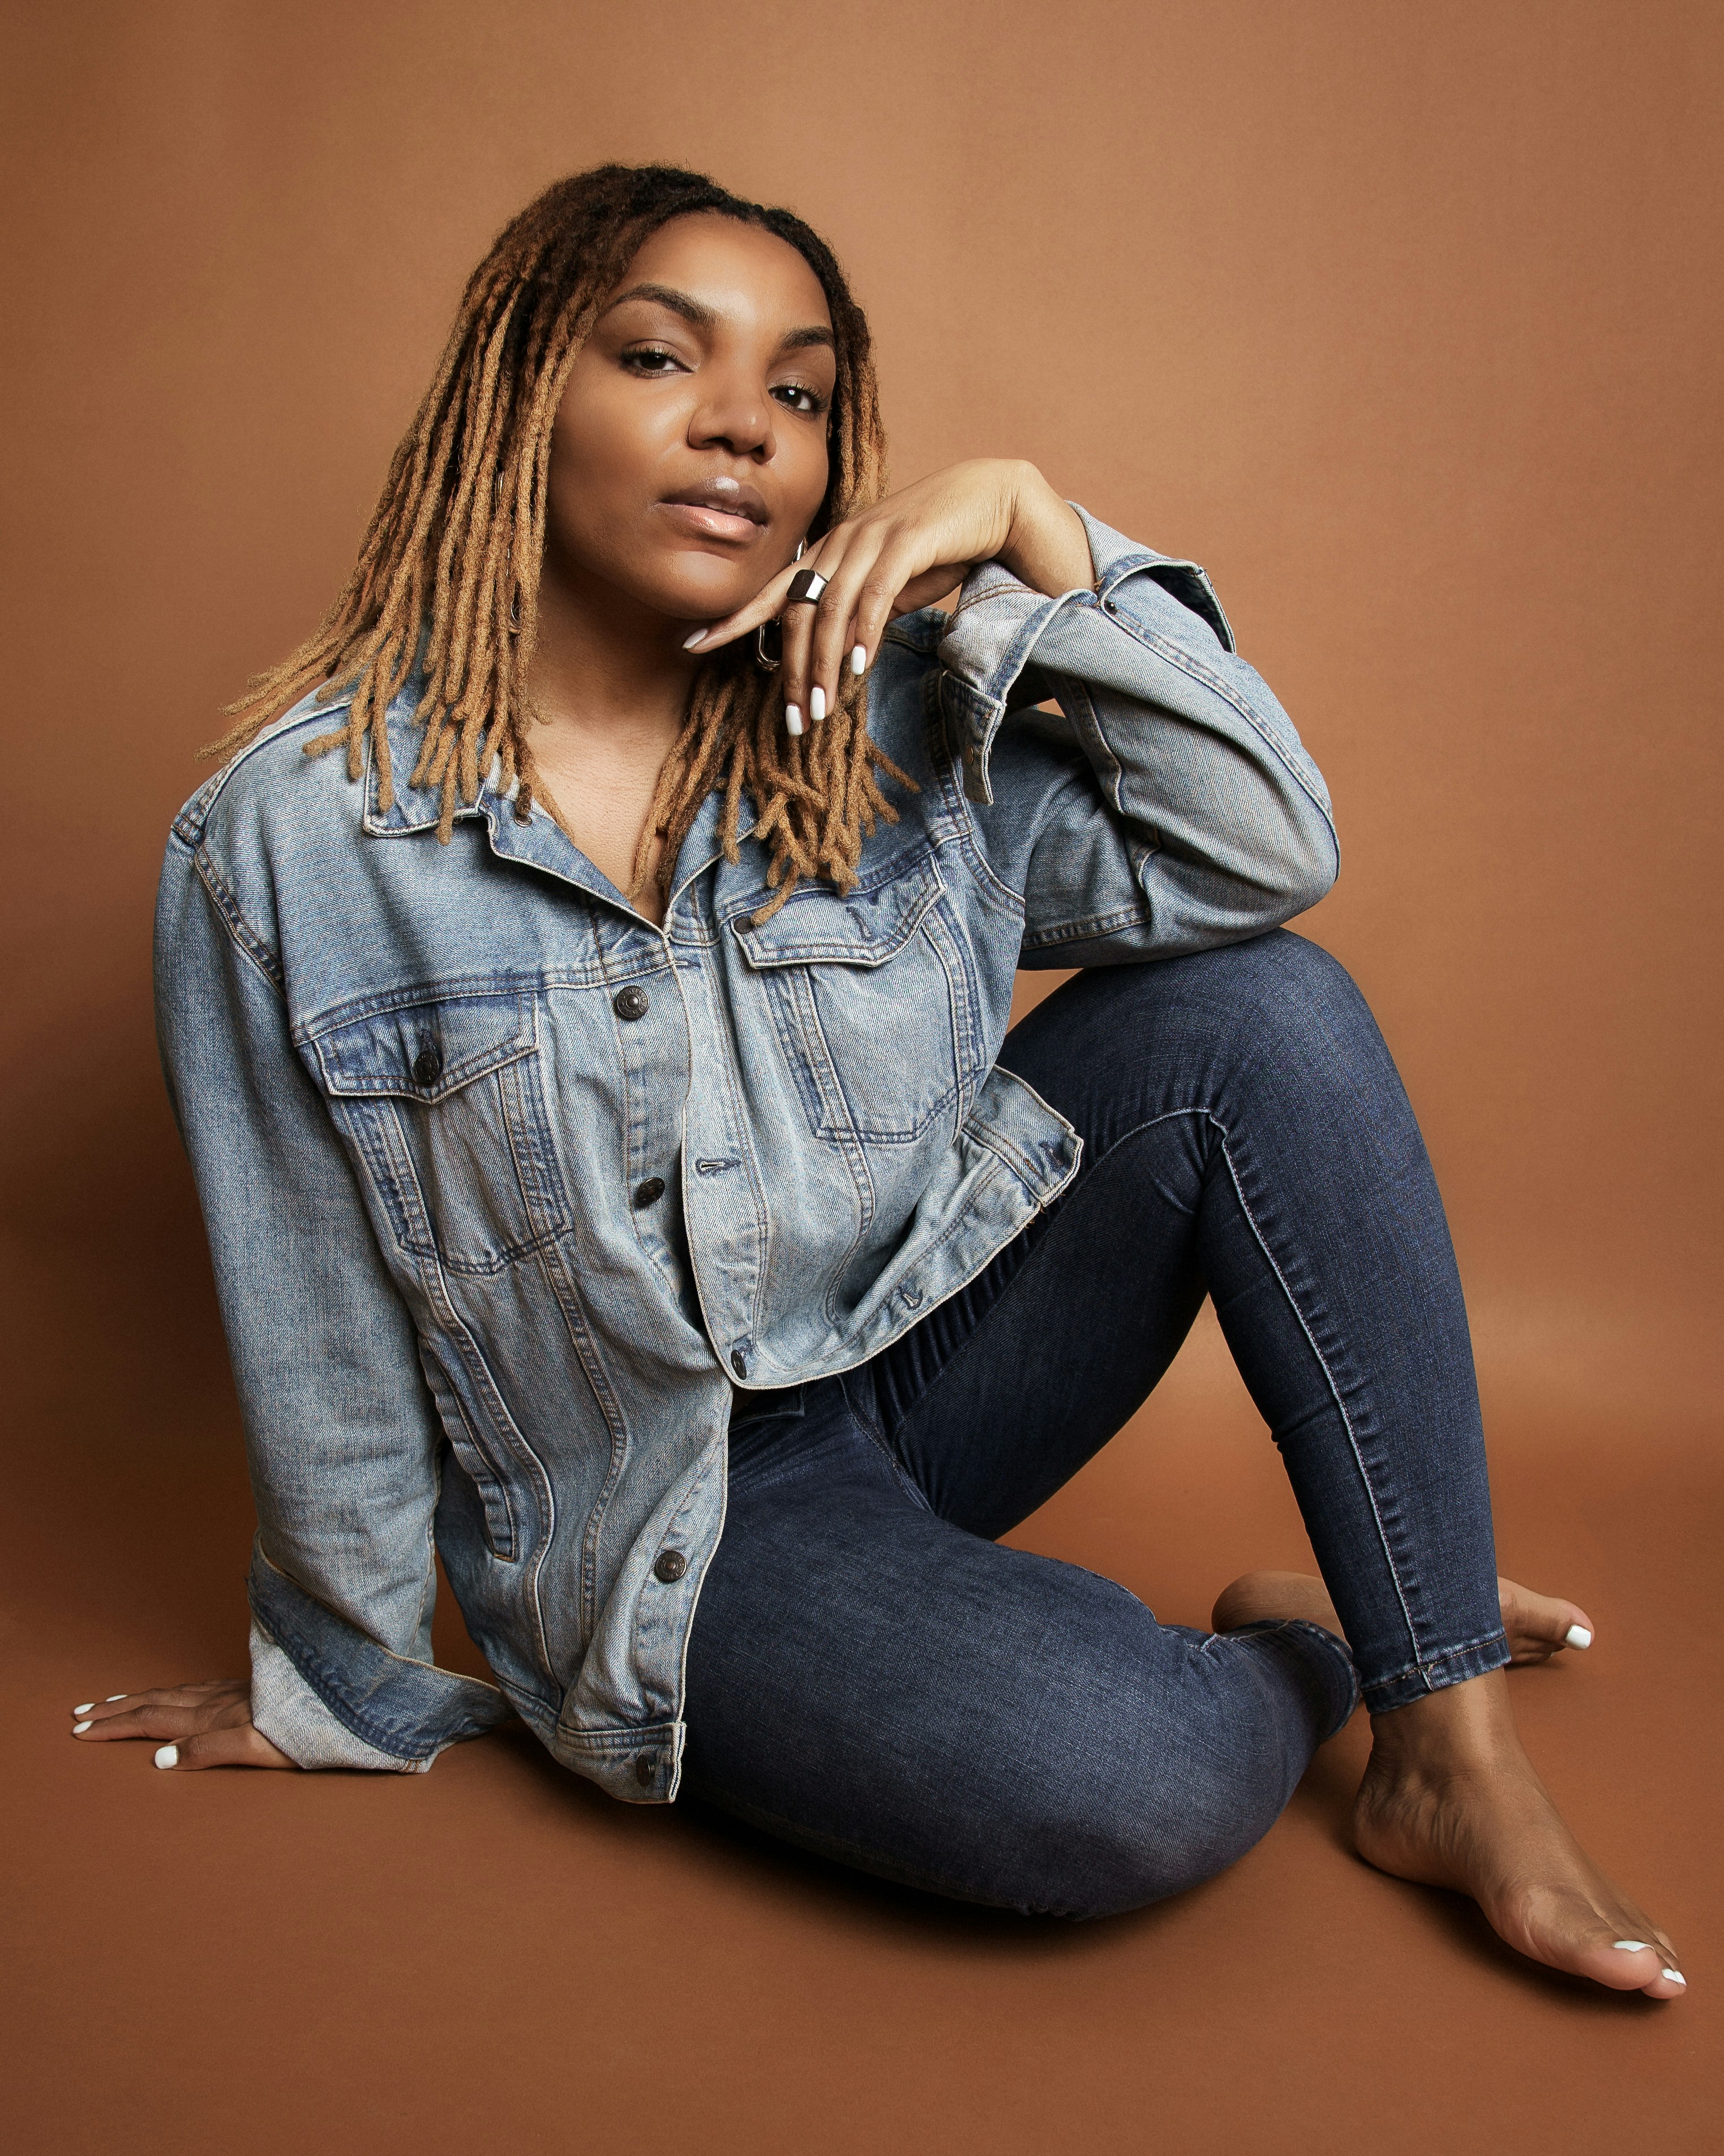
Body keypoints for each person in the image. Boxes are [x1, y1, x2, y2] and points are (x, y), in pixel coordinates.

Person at [75, 165, 1680, 1996]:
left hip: (938, 1358)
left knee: (1268, 1010)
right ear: (522, 393)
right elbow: (319, 1330)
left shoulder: (896, 723)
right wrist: (344, 1679)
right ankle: (1316, 1647)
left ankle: (1447, 1749)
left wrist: (1031, 528)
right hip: (684, 1528)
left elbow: (1264, 849)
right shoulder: (287, 844)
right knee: (1119, 1780)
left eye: (804, 392)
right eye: (660, 355)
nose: (742, 425)